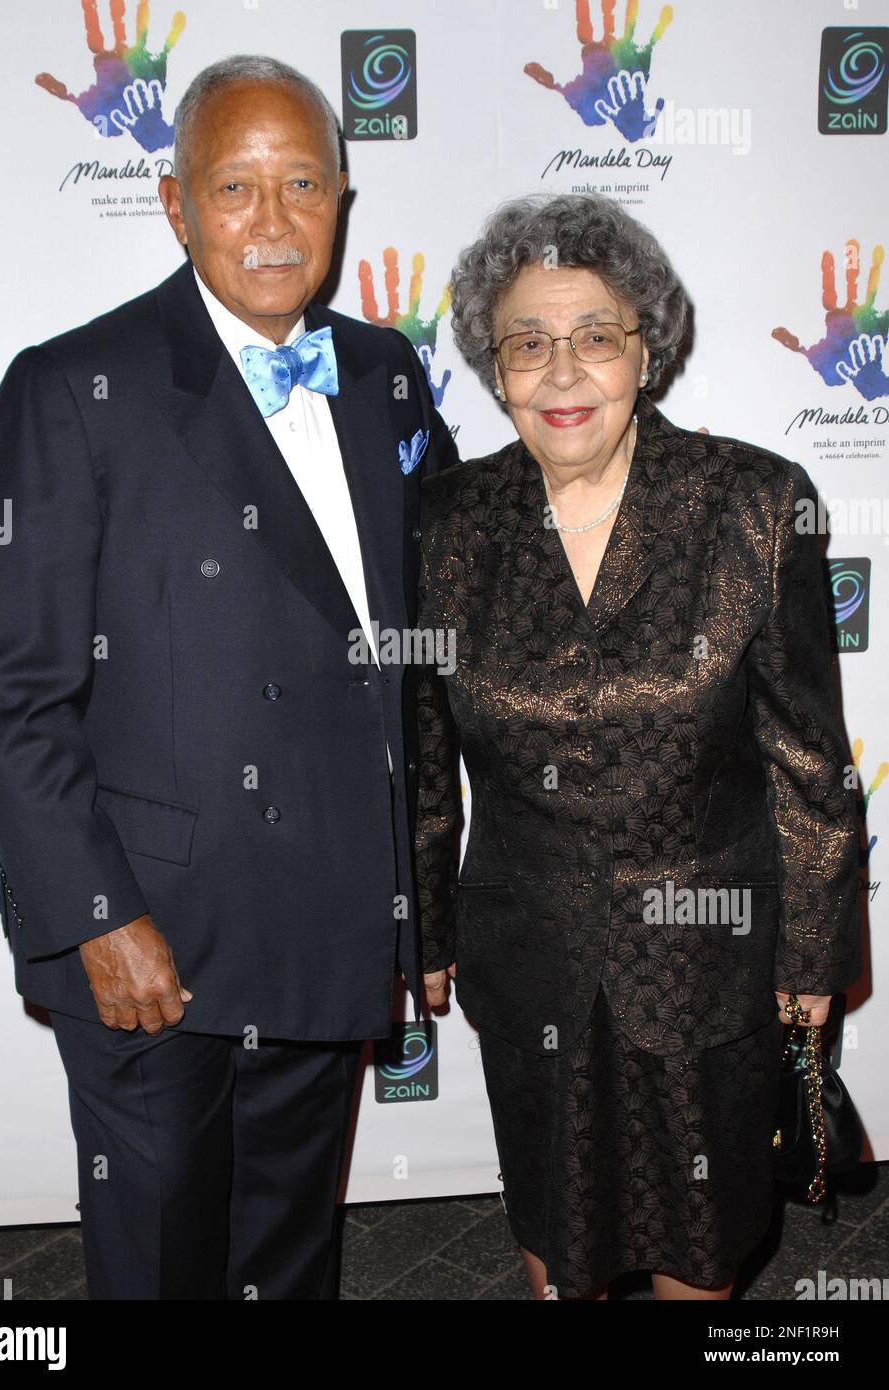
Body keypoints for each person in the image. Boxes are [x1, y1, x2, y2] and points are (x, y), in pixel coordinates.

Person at [0, 54, 457, 1300]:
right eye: (235, 187)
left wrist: (418, 900)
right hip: (153, 944)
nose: (274, 221)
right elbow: (10, 685)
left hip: (329, 922)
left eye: (302, 183)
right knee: (164, 1262)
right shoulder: (71, 388)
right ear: (175, 206)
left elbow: (424, 658)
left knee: (288, 1256)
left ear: (344, 198)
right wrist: (94, 916)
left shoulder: (387, 372)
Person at [415, 192, 863, 1301]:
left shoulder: (752, 506)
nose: (561, 373)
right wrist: (418, 923)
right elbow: (420, 758)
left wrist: (811, 959)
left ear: (645, 350)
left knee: (699, 1250)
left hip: (705, 958)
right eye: (527, 342)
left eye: (594, 338)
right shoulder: (442, 523)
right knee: (558, 1249)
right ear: (492, 364)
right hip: (527, 956)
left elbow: (811, 762)